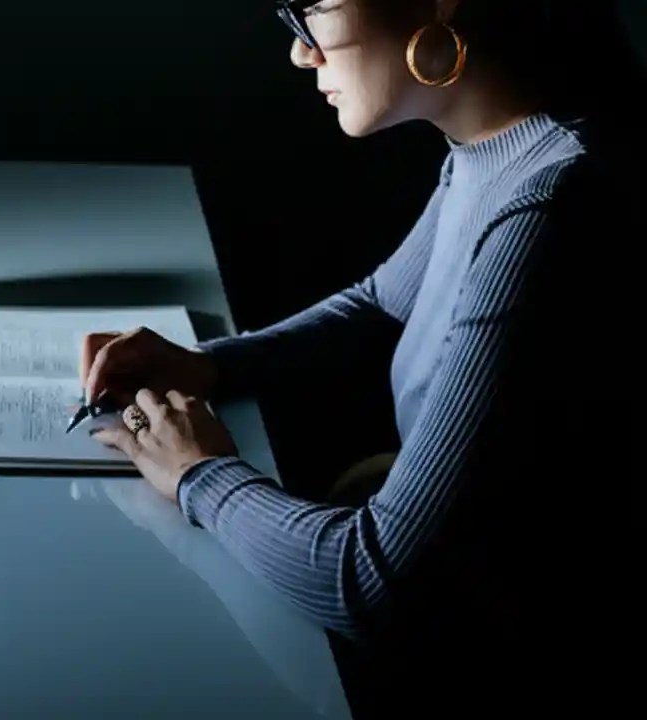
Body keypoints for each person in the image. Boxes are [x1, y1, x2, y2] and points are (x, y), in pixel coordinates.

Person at [80, 0, 642, 714]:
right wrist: (212, 365)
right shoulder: (506, 146)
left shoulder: (552, 202)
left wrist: (198, 474)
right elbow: (379, 303)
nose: (301, 52)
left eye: (312, 9)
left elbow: (371, 581)